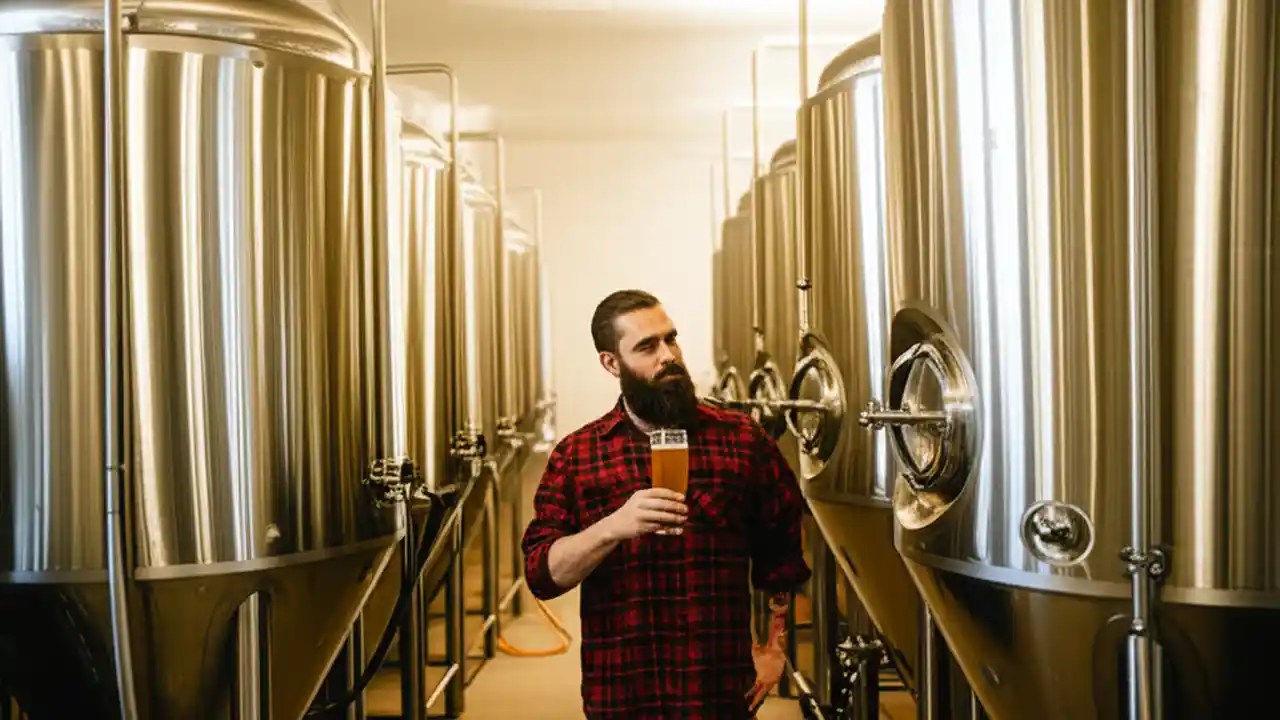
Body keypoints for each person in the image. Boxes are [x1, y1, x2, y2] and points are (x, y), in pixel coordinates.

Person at [521, 289, 812, 719]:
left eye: (670, 339)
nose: (668, 356)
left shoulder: (741, 440)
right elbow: (542, 574)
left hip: (717, 693)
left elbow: (781, 552)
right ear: (611, 363)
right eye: (646, 346)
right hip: (622, 693)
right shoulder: (578, 456)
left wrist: (774, 646)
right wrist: (612, 526)